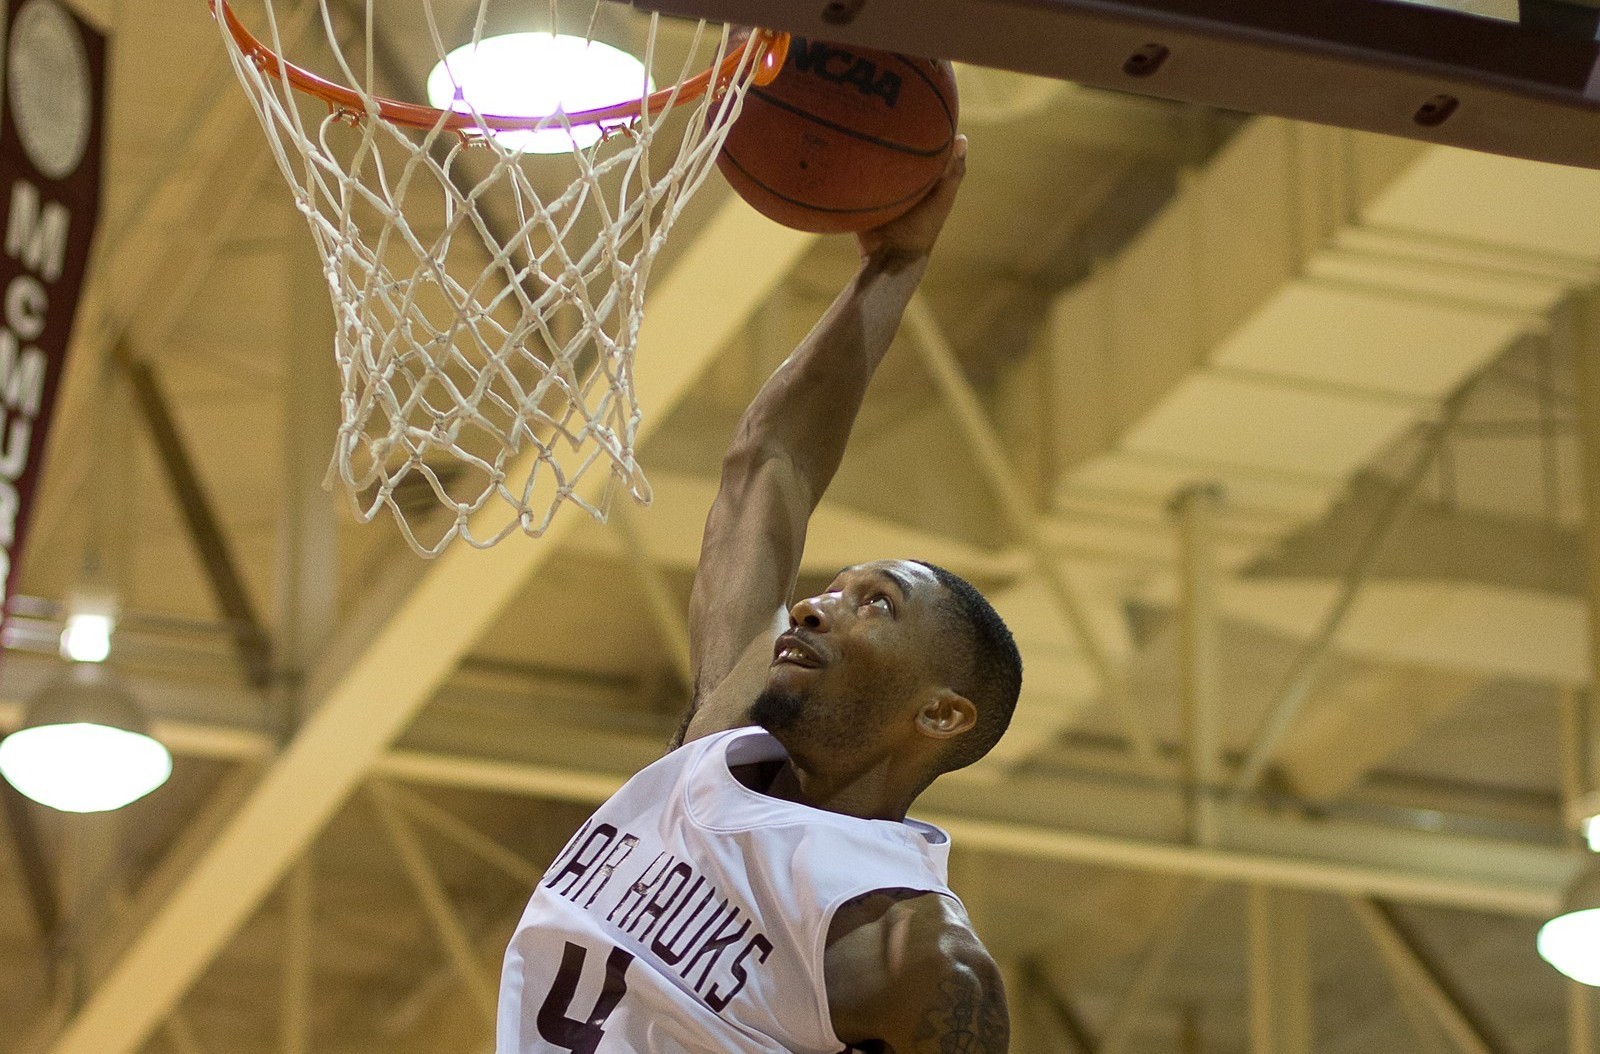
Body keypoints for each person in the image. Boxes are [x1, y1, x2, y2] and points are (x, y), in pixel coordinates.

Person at [498, 134, 1020, 1054]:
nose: (817, 605)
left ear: (941, 713)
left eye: (878, 605)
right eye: (831, 588)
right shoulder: (719, 743)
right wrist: (895, 262)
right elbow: (768, 461)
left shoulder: (916, 954)